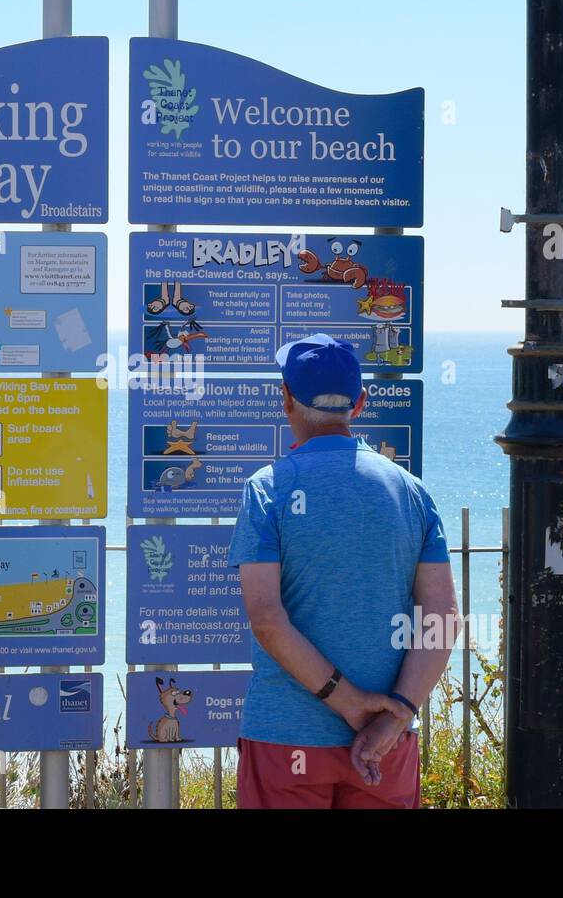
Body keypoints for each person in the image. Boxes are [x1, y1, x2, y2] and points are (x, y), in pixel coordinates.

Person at [228, 333, 459, 808]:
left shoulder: (267, 489)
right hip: (385, 745)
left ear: (286, 399)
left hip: (285, 737)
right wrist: (396, 716)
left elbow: (267, 618)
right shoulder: (411, 492)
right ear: (360, 402)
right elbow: (442, 616)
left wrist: (346, 701)